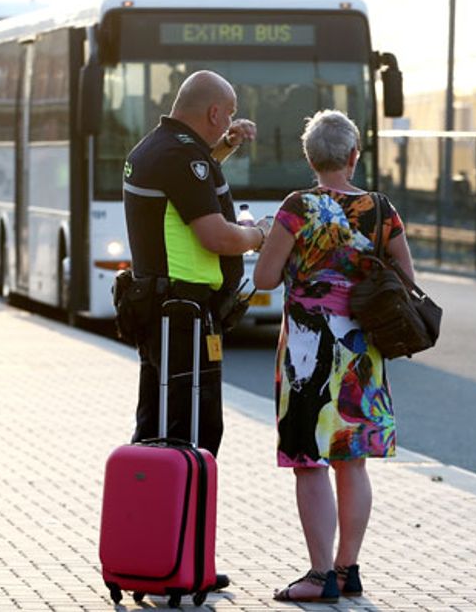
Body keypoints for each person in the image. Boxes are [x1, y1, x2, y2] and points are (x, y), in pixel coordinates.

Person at [253, 110, 414, 603]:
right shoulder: (380, 209)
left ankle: (319, 574)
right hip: (362, 351)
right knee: (352, 461)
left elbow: (264, 278)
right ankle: (348, 569)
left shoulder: (296, 207)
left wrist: (275, 245)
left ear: (310, 159)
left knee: (310, 461)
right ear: (353, 156)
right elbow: (407, 280)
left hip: (308, 353)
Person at [121, 70, 266, 590]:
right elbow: (215, 235)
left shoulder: (159, 147)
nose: (231, 122)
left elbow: (185, 195)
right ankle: (180, 560)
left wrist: (222, 150)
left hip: (167, 313)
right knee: (191, 433)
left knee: (159, 429)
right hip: (180, 315)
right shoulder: (183, 158)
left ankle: (157, 554)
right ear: (214, 112)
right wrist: (258, 234)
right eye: (229, 114)